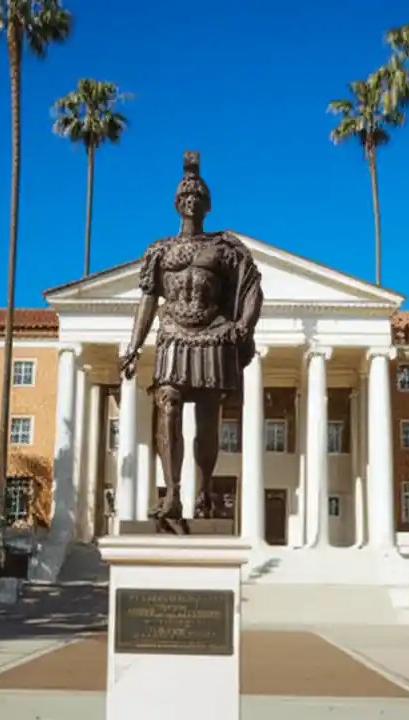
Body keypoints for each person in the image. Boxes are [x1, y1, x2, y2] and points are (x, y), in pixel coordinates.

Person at [119, 151, 263, 522]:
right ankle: (172, 495)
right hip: (172, 333)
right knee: (167, 403)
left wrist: (243, 325)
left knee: (208, 417)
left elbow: (250, 287)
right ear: (176, 204)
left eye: (197, 196)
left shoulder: (224, 250)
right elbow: (148, 300)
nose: (191, 200)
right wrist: (133, 346)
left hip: (212, 332)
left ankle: (204, 492)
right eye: (185, 196)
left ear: (208, 205)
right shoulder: (159, 251)